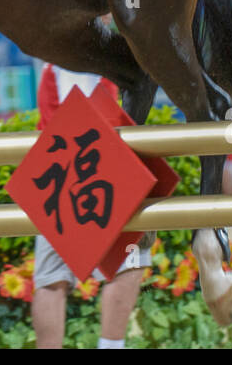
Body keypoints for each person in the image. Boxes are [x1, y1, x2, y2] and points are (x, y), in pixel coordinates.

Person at [30, 64, 146, 348]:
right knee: (130, 258)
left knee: (51, 278)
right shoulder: (82, 56)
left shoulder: (56, 53)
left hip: (56, 170)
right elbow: (87, 117)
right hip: (88, 165)